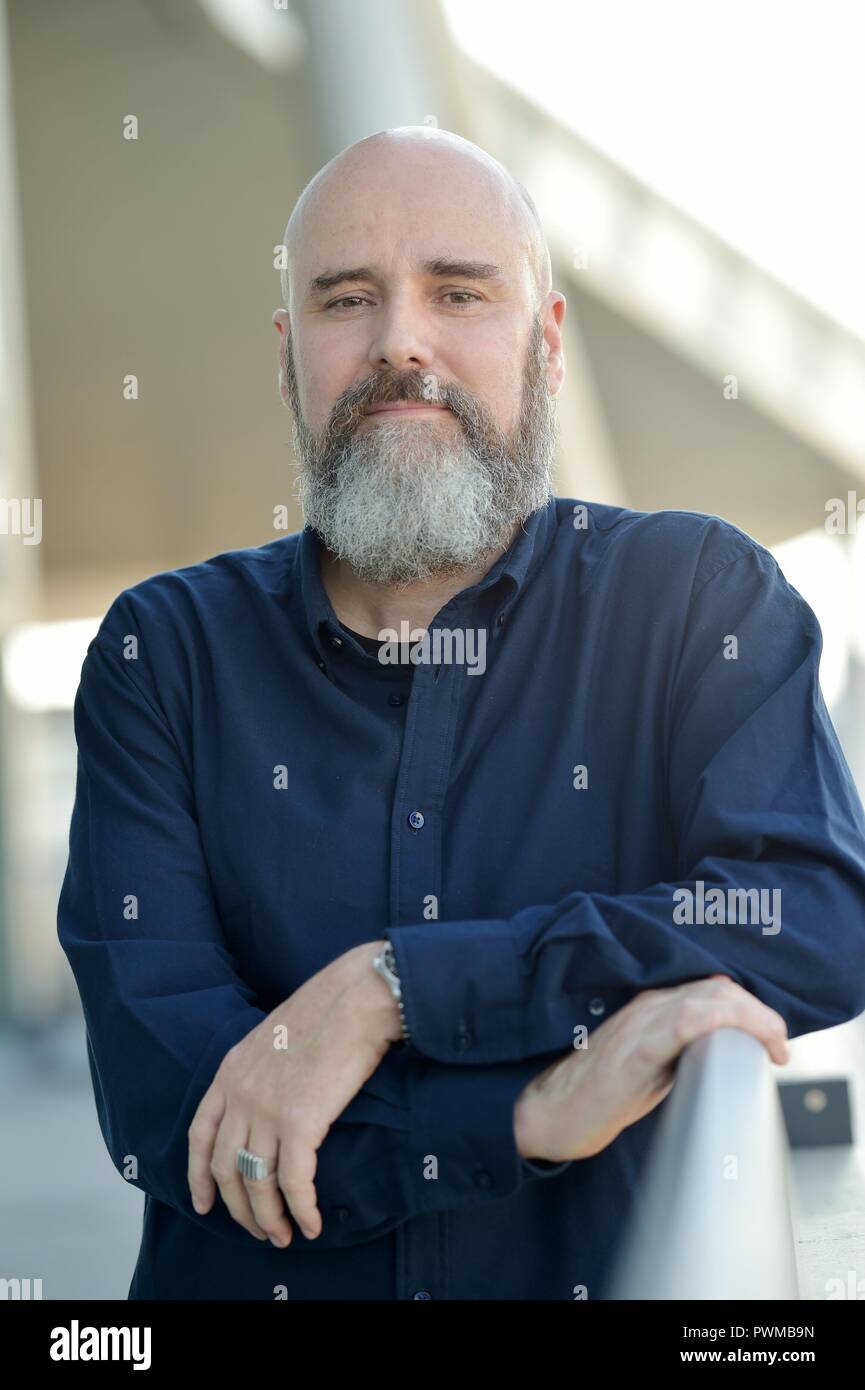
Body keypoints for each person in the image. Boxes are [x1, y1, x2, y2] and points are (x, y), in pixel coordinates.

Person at [58, 126, 865, 1301]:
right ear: (290, 360)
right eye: (345, 300)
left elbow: (813, 913)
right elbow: (170, 1107)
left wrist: (392, 988)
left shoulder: (695, 600)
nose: (399, 342)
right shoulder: (164, 656)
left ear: (545, 341)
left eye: (458, 291)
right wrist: (524, 1110)